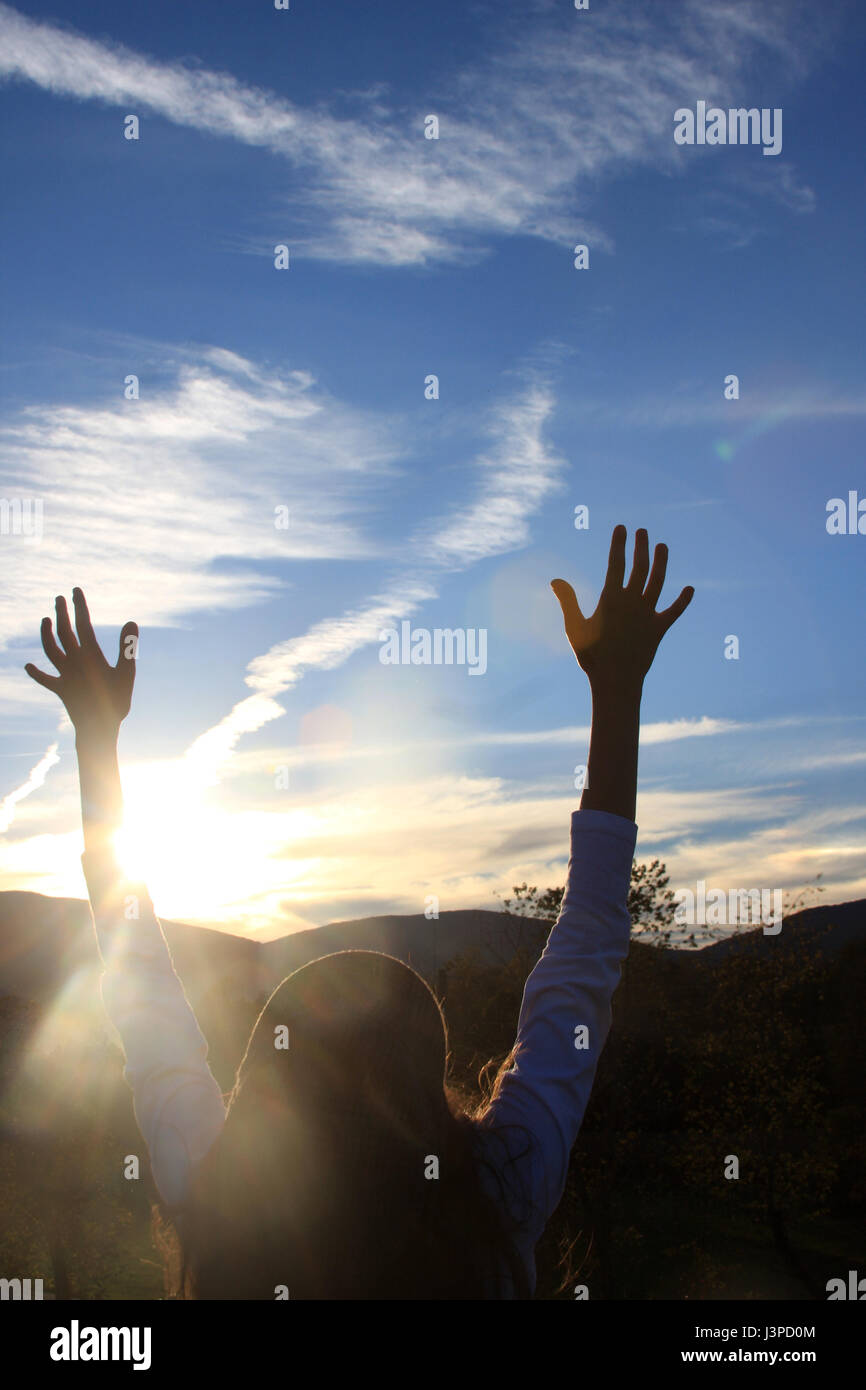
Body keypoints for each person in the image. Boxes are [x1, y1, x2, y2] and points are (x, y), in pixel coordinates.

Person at [26, 525, 693, 1299]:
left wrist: (96, 740)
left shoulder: (216, 1198)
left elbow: (140, 993)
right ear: (424, 1086)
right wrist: (617, 692)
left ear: (264, 1077)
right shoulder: (499, 1188)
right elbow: (585, 960)